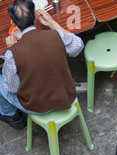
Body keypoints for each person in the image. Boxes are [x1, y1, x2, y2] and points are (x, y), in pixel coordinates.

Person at [0, 0, 84, 130]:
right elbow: (78, 46)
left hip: (37, 107)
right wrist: (52, 22)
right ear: (34, 17)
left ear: (14, 23)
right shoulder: (56, 35)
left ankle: (11, 116)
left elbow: (12, 87)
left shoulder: (12, 53)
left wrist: (12, 51)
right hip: (66, 95)